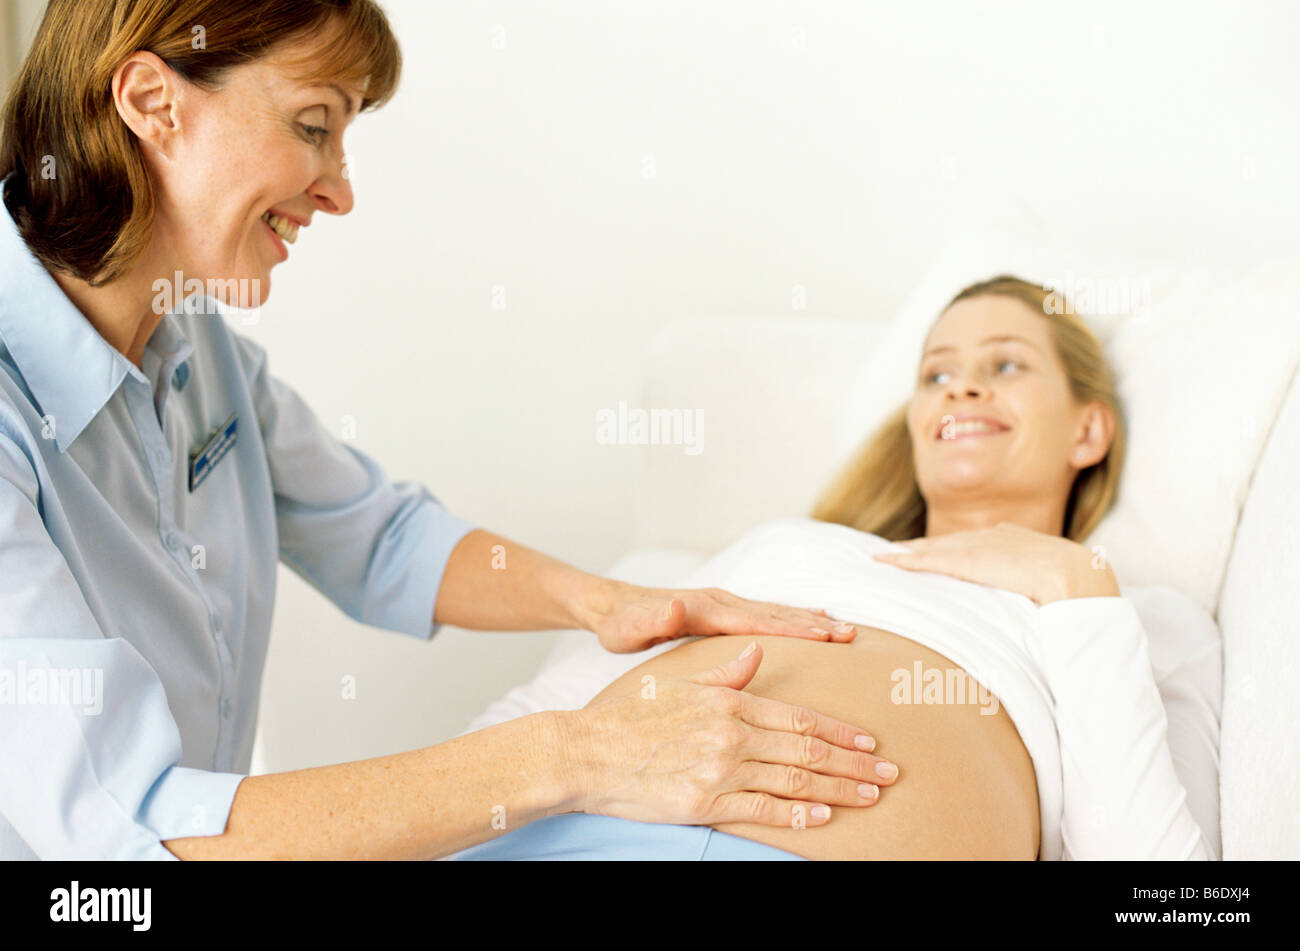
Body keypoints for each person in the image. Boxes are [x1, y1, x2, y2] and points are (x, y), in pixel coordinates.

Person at [0, 0, 899, 861]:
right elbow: (137, 827)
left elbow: (382, 535)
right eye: (314, 125)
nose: (341, 191)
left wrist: (612, 603)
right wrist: (578, 756)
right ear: (154, 104)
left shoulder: (189, 339)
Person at [452, 276, 1221, 860]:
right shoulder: (792, 543)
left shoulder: (1132, 615)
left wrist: (1074, 588)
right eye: (935, 373)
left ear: (1089, 428)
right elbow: (540, 716)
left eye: (1009, 364)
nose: (962, 385)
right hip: (580, 837)